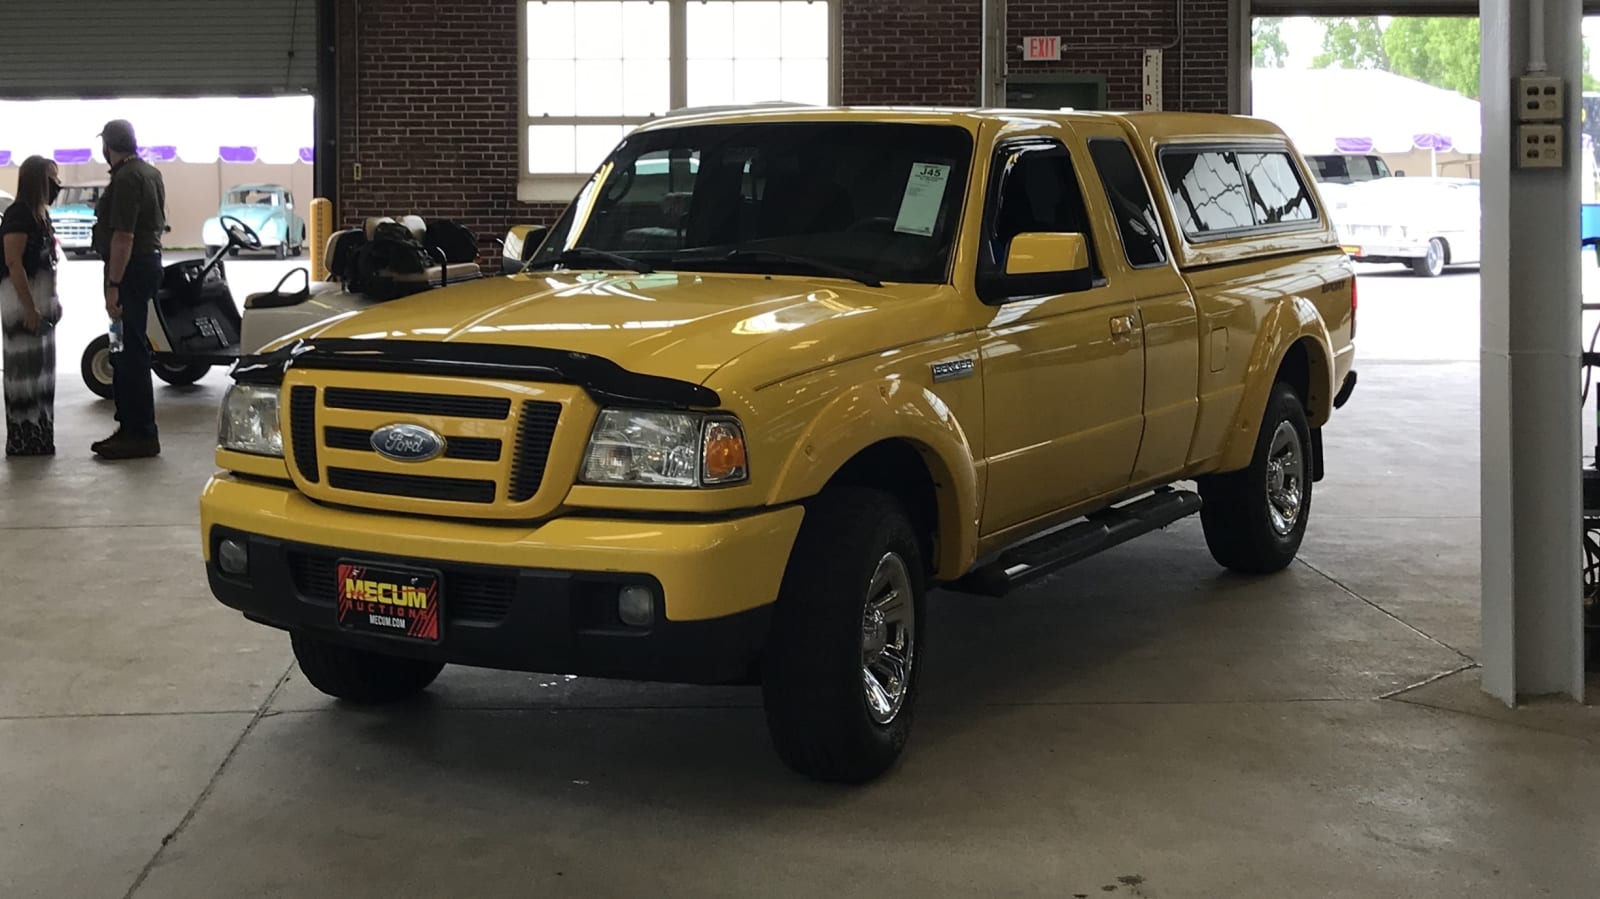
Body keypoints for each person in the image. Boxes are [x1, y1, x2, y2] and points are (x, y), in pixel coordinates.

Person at [90, 119, 167, 459]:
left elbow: (123, 236)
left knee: (127, 351)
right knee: (124, 344)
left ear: (108, 146)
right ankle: (131, 427)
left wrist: (113, 286)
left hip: (128, 272)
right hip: (146, 265)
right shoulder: (150, 173)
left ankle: (139, 432)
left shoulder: (125, 178)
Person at [0, 155, 64, 456]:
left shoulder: (42, 215)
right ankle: (23, 438)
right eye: (52, 178)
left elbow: (49, 261)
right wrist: (28, 308)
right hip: (21, 304)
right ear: (38, 180)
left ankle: (40, 435)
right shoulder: (18, 215)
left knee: (41, 371)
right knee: (23, 372)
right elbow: (14, 263)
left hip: (42, 304)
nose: (57, 184)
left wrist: (54, 300)